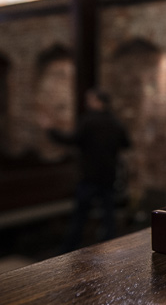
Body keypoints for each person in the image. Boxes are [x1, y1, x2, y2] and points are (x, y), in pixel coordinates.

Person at [46, 88, 130, 252]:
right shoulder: (115, 122)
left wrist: (51, 130)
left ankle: (69, 248)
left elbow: (71, 139)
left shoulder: (88, 121)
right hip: (108, 174)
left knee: (80, 214)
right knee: (108, 214)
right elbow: (126, 144)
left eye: (91, 100)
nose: (88, 103)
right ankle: (110, 245)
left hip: (90, 175)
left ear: (99, 102)